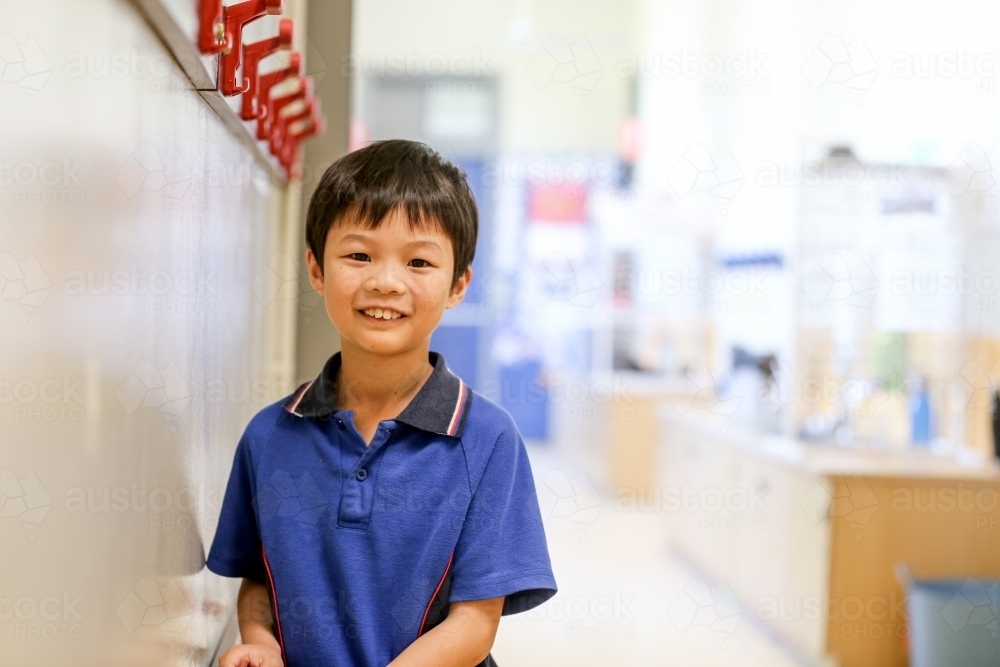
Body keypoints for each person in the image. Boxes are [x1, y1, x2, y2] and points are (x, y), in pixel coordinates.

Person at [206, 140, 557, 667]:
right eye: (358, 255)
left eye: (418, 261)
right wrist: (259, 640)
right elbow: (260, 577)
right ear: (317, 269)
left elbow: (475, 622)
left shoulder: (487, 440)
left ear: (458, 283)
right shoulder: (269, 436)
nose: (385, 282)